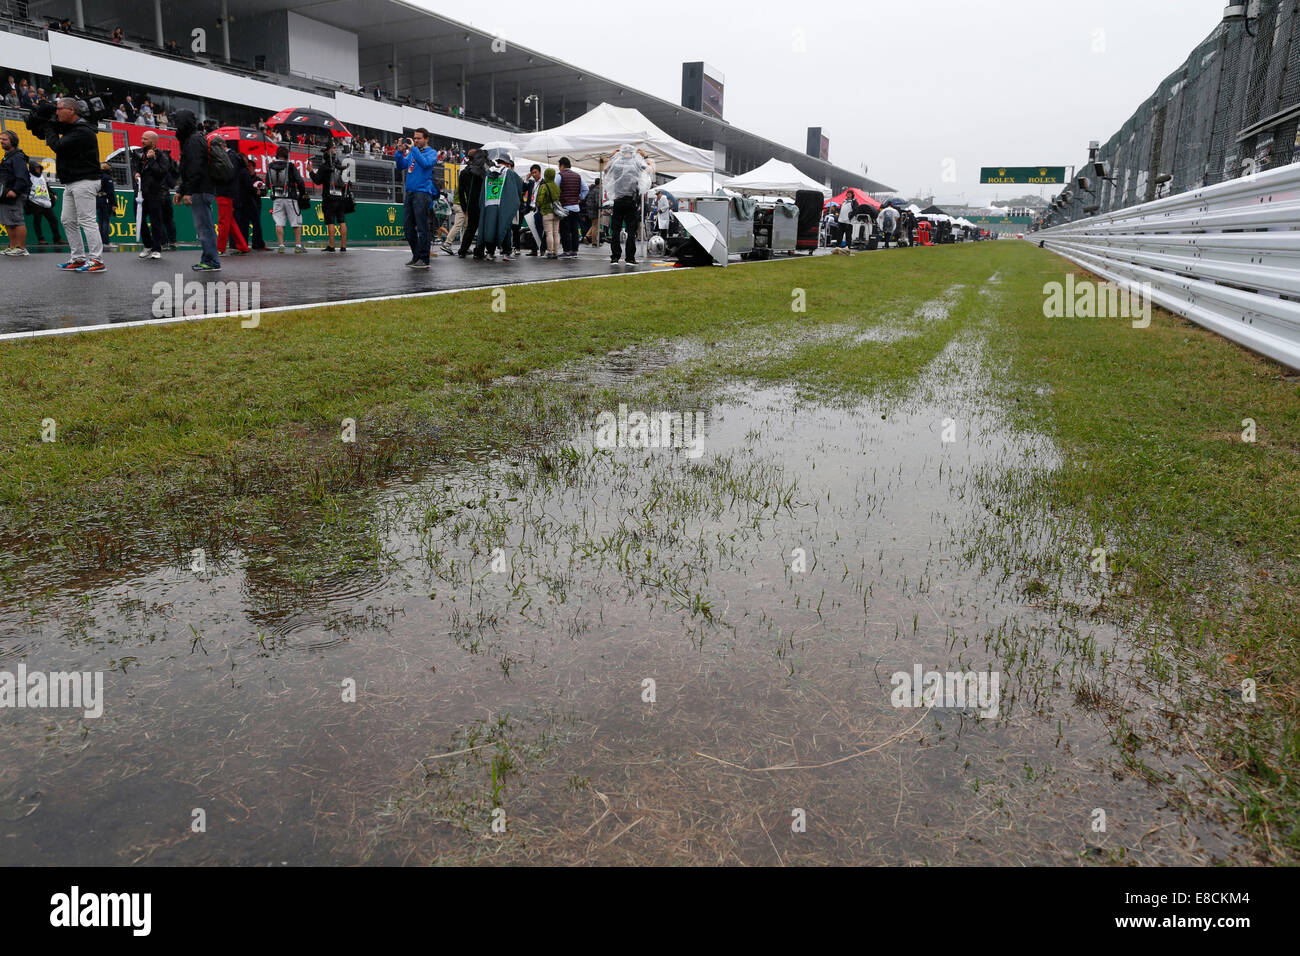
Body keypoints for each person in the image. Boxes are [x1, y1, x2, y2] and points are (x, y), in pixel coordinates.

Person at [44, 97, 105, 271]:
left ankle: (97, 260)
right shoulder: (74, 128)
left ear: (71, 110)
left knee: (87, 220)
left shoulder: (82, 130)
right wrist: (48, 125)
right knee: (67, 220)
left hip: (85, 180)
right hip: (72, 181)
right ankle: (78, 258)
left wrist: (48, 127)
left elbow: (58, 145)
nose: (56, 112)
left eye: (59, 109)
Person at [172, 108, 221, 271]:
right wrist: (181, 190)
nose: (175, 126)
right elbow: (188, 169)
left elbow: (194, 169)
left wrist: (187, 192)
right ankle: (208, 259)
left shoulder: (192, 140)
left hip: (200, 190)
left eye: (177, 122)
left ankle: (212, 261)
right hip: (200, 189)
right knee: (204, 227)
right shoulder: (194, 139)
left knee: (204, 227)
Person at [473, 150, 522, 261]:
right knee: (505, 227)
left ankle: (490, 253)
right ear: (507, 163)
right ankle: (506, 253)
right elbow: (519, 186)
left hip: (489, 205)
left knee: (490, 228)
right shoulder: (509, 172)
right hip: (504, 205)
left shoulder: (488, 172)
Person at [603, 144, 649, 264]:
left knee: (616, 230)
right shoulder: (636, 164)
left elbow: (606, 169)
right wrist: (644, 155)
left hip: (618, 201)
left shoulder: (616, 163)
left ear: (622, 153)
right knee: (631, 230)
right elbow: (648, 168)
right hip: (631, 201)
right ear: (632, 153)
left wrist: (612, 155)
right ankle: (630, 258)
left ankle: (615, 257)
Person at [132, 129, 173, 260]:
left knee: (156, 221)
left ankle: (156, 248)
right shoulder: (138, 153)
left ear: (153, 142)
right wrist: (135, 173)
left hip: (155, 193)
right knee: (140, 220)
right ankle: (147, 245)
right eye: (142, 138)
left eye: (145, 139)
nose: (142, 140)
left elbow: (162, 172)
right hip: (140, 194)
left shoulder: (162, 156)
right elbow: (135, 167)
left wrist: (152, 160)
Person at [399, 128, 436, 267]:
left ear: (426, 139)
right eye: (415, 138)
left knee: (422, 227)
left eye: (419, 138)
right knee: (408, 228)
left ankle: (425, 259)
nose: (416, 140)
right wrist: (399, 151)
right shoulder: (413, 152)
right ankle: (416, 256)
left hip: (422, 193)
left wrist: (413, 150)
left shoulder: (431, 153)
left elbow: (426, 164)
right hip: (409, 193)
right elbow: (401, 165)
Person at [313, 140, 355, 252]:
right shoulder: (340, 165)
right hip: (341, 196)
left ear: (327, 152)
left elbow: (317, 181)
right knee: (342, 221)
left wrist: (310, 172)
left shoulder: (324, 166)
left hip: (329, 197)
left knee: (330, 222)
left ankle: (331, 246)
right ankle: (343, 246)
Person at [265, 144, 306, 253]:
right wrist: (302, 193)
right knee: (296, 222)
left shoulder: (270, 166)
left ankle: (281, 245)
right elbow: (300, 181)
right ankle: (298, 246)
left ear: (277, 155)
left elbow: (268, 183)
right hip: (291, 197)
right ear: (287, 155)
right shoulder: (290, 166)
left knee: (279, 222)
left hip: (277, 198)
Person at [214, 141, 250, 255]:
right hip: (228, 191)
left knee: (224, 221)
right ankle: (243, 246)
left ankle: (220, 248)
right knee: (229, 221)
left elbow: (228, 175)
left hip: (224, 191)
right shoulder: (233, 156)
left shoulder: (230, 157)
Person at [0, 130, 31, 257]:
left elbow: (22, 176)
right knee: (8, 221)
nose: (1, 141)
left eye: (4, 139)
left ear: (13, 141)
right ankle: (12, 247)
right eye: (0, 139)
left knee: (17, 220)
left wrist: (15, 191)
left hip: (14, 193)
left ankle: (21, 248)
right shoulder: (7, 156)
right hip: (5, 193)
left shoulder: (17, 157)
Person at [456, 148, 487, 258]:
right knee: (483, 228)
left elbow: (460, 192)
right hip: (482, 203)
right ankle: (479, 251)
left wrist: (464, 208)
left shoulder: (464, 172)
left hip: (470, 204)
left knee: (471, 228)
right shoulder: (482, 172)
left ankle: (463, 250)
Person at [25, 159, 62, 246]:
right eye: (36, 168)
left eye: (39, 168)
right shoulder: (28, 176)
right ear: (32, 168)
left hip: (45, 201)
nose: (38, 170)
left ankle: (57, 238)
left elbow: (47, 187)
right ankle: (40, 239)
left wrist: (54, 193)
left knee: (53, 220)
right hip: (34, 201)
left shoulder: (41, 177)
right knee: (37, 220)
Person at [237, 155, 267, 251]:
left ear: (254, 167)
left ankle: (257, 244)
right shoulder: (243, 176)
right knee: (243, 225)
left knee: (256, 225)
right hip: (245, 204)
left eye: (250, 166)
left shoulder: (259, 180)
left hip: (256, 204)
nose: (248, 167)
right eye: (247, 166)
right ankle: (244, 244)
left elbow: (265, 191)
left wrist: (260, 192)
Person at [556, 157, 583, 257]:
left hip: (565, 207)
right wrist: (580, 198)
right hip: (576, 207)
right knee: (574, 230)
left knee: (565, 230)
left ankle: (566, 250)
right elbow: (585, 189)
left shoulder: (560, 176)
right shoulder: (578, 176)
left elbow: (555, 189)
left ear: (562, 165)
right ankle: (574, 251)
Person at [536, 166, 561, 260]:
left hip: (547, 212)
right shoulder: (556, 187)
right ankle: (556, 252)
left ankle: (550, 252)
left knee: (549, 233)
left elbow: (540, 200)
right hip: (556, 212)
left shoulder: (544, 186)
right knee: (556, 233)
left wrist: (539, 205)